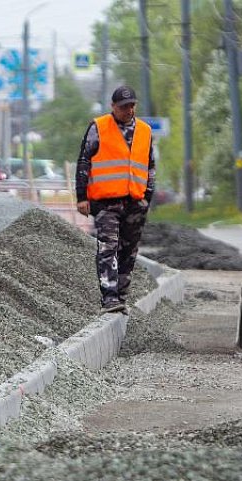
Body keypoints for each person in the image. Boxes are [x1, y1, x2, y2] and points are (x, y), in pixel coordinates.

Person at [75, 85, 156, 313]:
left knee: (128, 251)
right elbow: (84, 162)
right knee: (108, 247)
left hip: (135, 202)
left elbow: (150, 166)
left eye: (131, 106)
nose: (128, 110)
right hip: (106, 202)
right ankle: (109, 297)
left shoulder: (144, 130)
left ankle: (121, 296)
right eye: (123, 107)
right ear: (113, 107)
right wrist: (82, 197)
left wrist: (146, 197)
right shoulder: (99, 127)